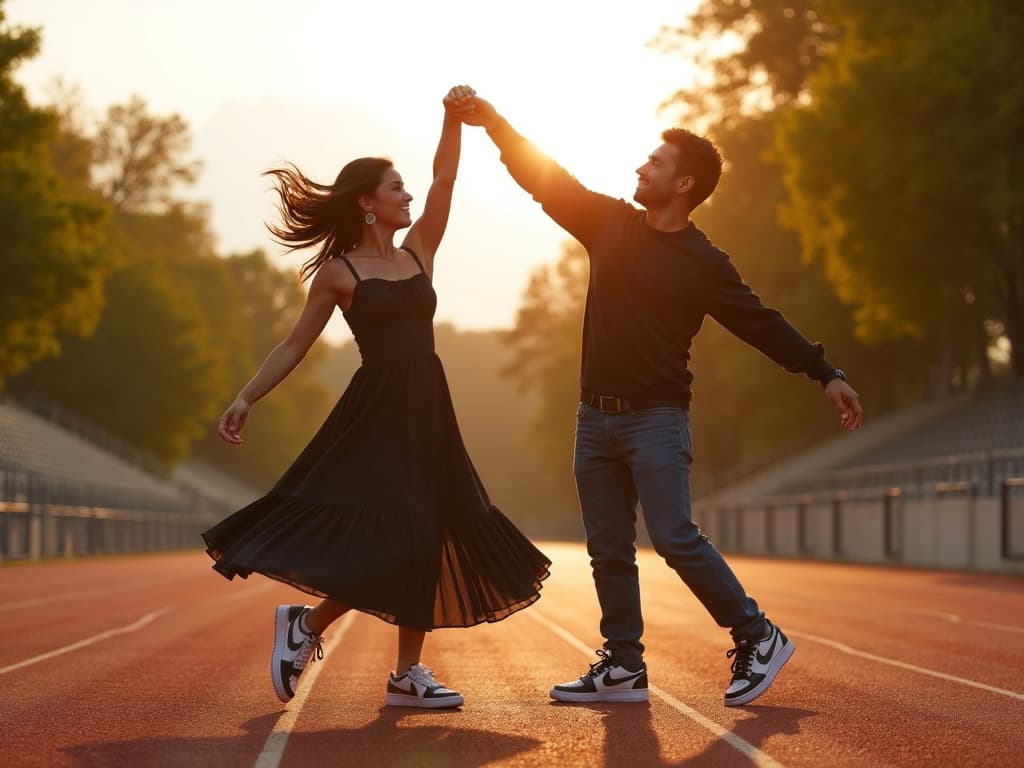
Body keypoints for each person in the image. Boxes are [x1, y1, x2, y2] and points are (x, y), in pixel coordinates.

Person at [451, 89, 863, 707]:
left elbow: (759, 321)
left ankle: (758, 634)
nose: (641, 168)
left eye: (656, 163)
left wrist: (823, 371)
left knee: (673, 536)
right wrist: (495, 124)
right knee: (608, 549)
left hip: (657, 422)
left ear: (684, 184)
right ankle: (623, 665)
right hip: (594, 420)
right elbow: (546, 179)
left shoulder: (703, 261)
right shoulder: (608, 222)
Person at [202, 85, 550, 710]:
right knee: (402, 533)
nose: (408, 195)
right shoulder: (340, 272)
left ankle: (400, 671)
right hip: (378, 416)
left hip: (430, 409)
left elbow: (445, 178)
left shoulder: (420, 252)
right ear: (367, 202)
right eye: (396, 188)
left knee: (432, 529)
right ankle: (312, 629)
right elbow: (293, 346)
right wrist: (246, 397)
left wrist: (451, 120)